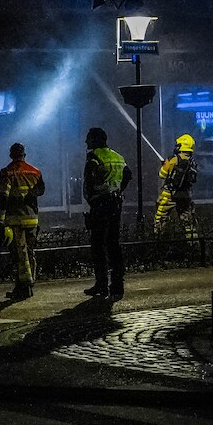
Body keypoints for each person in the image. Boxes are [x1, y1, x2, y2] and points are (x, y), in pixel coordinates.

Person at [82, 127, 132, 301]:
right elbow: (128, 174)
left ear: (95, 140)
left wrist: (91, 199)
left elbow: (88, 182)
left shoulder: (94, 156)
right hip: (115, 204)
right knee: (114, 244)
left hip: (100, 204)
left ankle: (101, 285)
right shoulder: (117, 156)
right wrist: (118, 190)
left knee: (98, 245)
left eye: (88, 139)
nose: (86, 142)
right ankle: (117, 286)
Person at [0, 142, 45, 300]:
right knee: (29, 252)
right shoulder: (35, 171)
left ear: (11, 155)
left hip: (15, 220)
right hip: (32, 219)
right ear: (24, 155)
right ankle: (28, 285)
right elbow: (41, 190)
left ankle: (23, 287)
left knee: (18, 255)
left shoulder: (7, 172)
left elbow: (2, 197)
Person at [154, 134, 199, 242]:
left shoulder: (172, 160)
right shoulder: (192, 162)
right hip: (185, 195)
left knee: (160, 219)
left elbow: (161, 175)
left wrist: (164, 165)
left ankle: (158, 243)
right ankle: (193, 245)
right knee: (188, 222)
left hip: (169, 194)